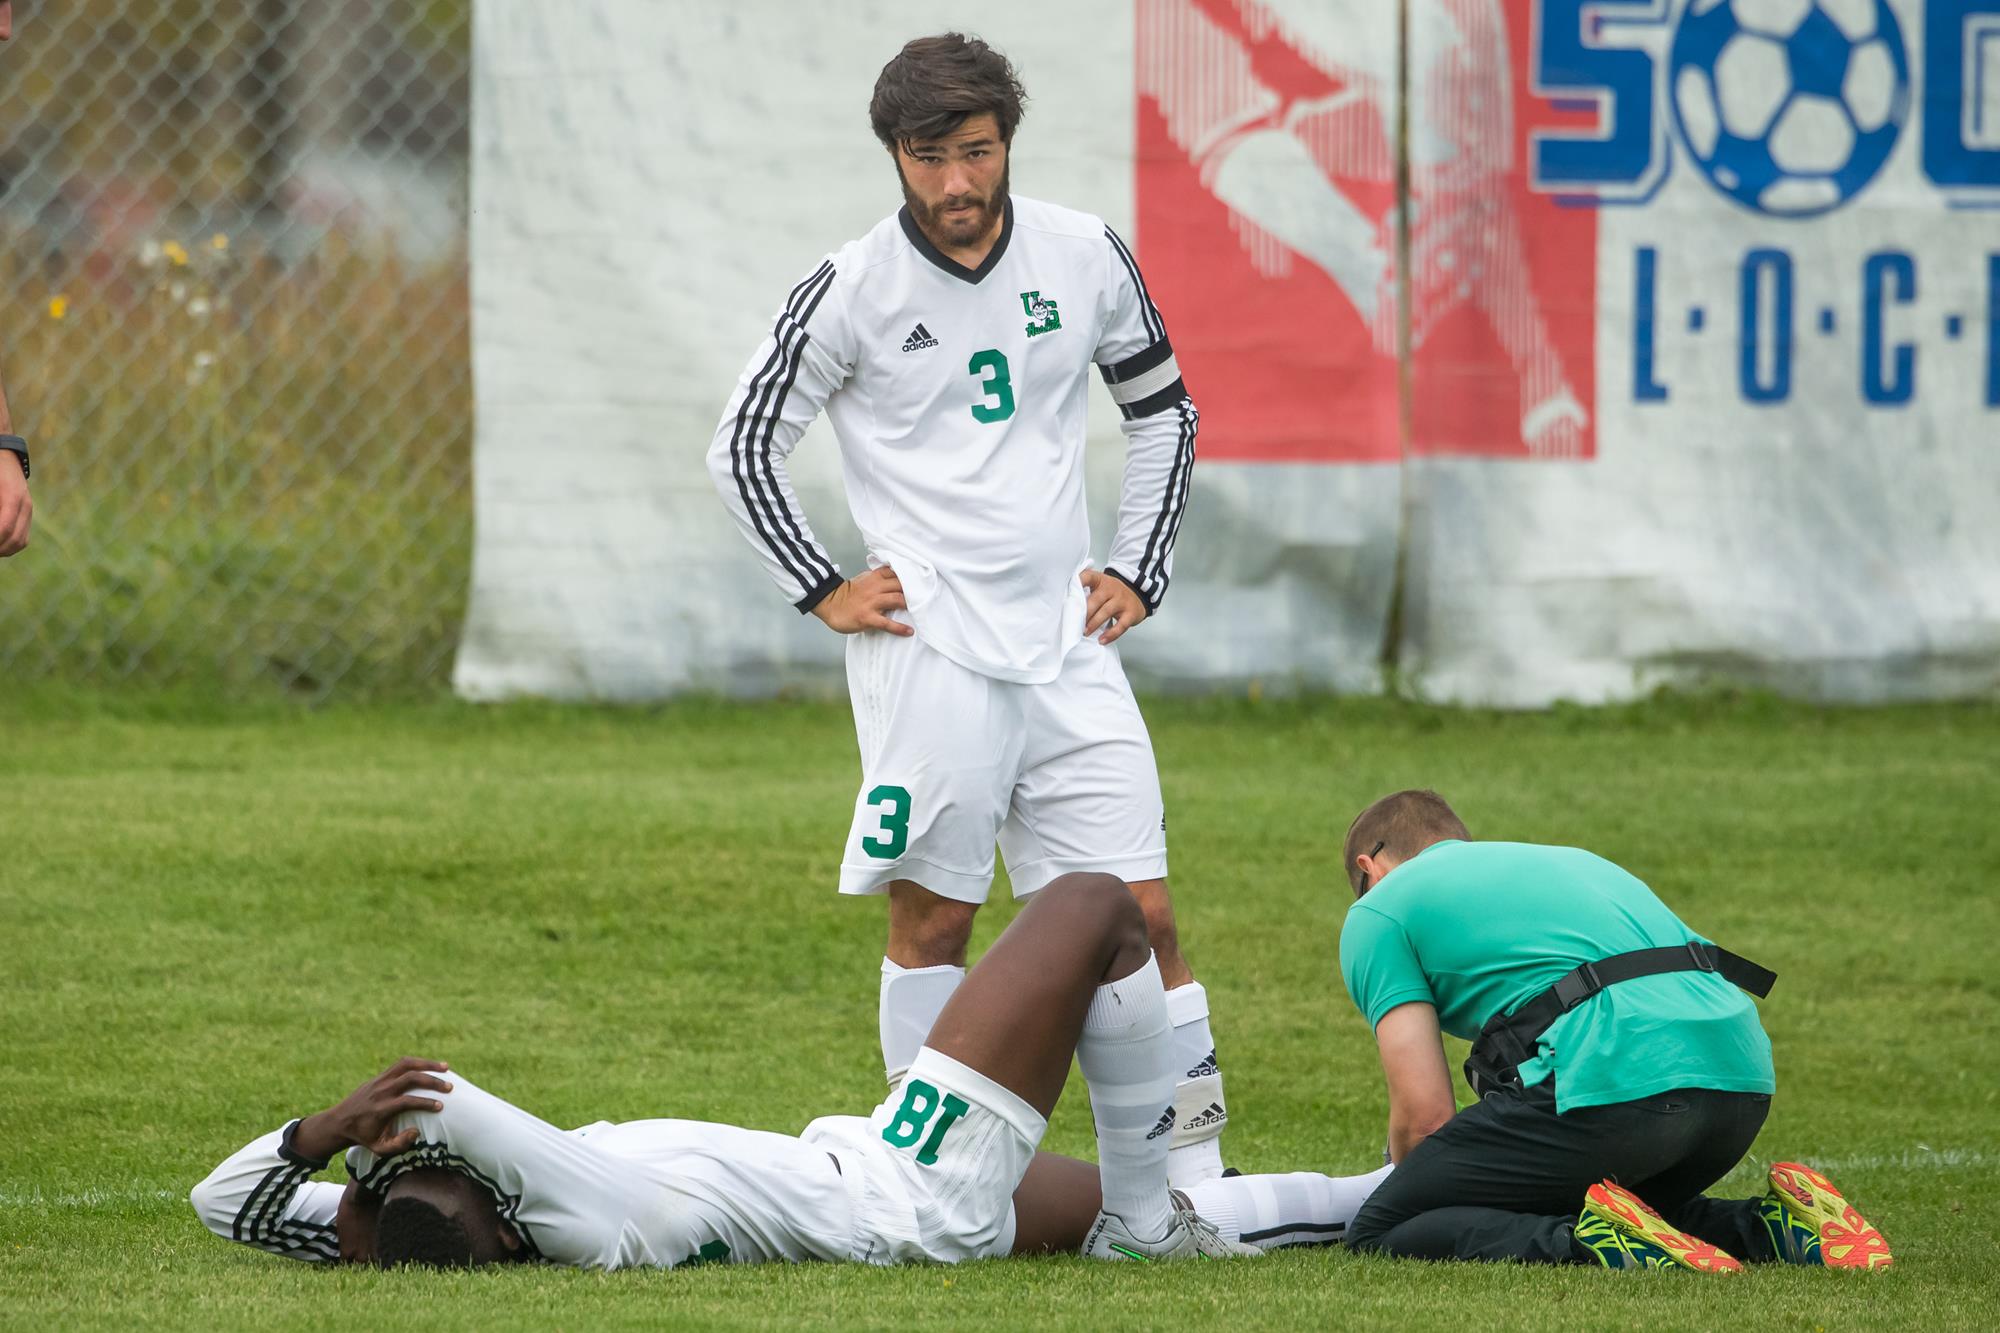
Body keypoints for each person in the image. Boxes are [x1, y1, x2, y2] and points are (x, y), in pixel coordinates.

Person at [704, 34, 1229, 1184]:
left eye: (975, 152)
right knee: (934, 921)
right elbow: (742, 445)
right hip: (929, 653)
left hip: (1065, 642)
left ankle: (1184, 1190)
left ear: (1006, 145)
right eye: (927, 156)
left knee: (1139, 914)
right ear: (895, 155)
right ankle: (916, 1178)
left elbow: (1164, 412)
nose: (953, 183)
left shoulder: (1083, 252)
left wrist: (1135, 565)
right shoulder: (849, 289)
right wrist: (822, 585)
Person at [191, 873, 1390, 1269]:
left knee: (1225, 1215)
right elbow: (451, 1100)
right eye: (434, 1176)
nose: (424, 1154)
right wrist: (371, 1122)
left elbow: (219, 1203)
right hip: (912, 1191)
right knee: (1091, 909)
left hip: (858, 1168)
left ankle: (1393, 1198)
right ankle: (1144, 1224)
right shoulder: (576, 1219)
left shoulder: (462, 1221)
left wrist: (318, 1153)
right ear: (495, 1228)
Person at [1334, 789, 1892, 1271]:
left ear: (1370, 868)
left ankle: (1587, 1245)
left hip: (1615, 1084)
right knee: (1617, 1201)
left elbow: (1426, 1114)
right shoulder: (1565, 861)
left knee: (1384, 1227)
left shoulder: (1379, 910)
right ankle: (1774, 1228)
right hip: (1739, 1086)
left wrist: (1418, 1185)